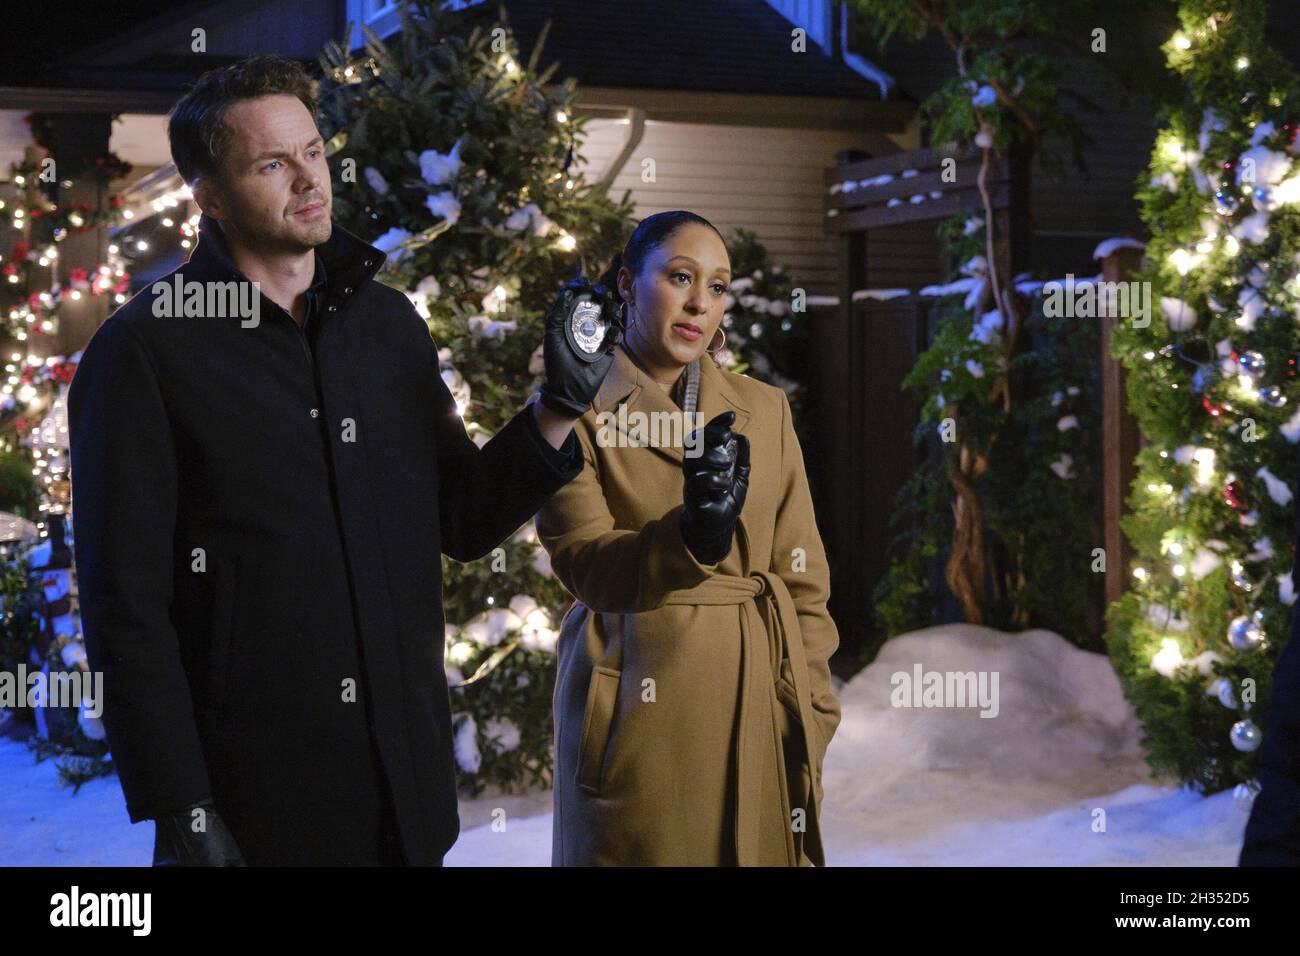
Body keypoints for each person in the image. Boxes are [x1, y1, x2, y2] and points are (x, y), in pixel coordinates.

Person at [68, 54, 619, 866]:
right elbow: (126, 611)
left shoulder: (388, 326)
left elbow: (462, 517)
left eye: (314, 152)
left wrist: (556, 409)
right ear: (210, 197)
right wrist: (180, 805)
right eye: (271, 164)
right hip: (257, 806)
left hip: (406, 797)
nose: (308, 180)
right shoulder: (146, 350)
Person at [535, 211, 842, 866]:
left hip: (756, 705)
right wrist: (688, 539)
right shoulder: (573, 408)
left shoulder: (765, 410)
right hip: (635, 718)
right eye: (680, 277)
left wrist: (810, 707)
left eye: (719, 285)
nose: (700, 302)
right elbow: (584, 558)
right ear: (626, 284)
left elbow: (802, 575)